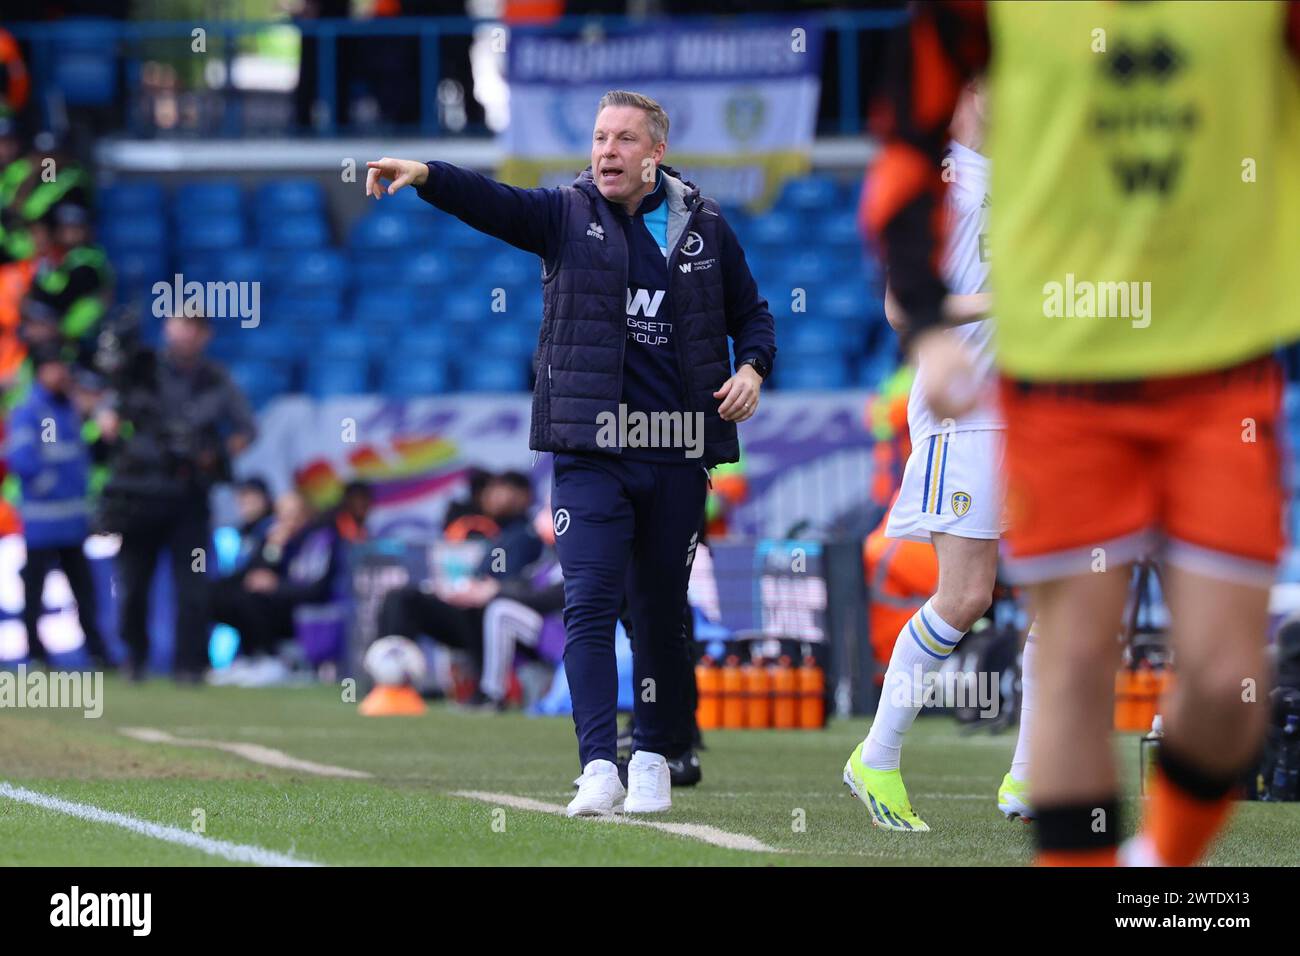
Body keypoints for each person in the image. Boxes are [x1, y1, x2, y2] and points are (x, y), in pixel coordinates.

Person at [867, 0, 1300, 866]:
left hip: (1217, 366)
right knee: (1057, 644)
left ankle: (1157, 857)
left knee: (1225, 678)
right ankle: (885, 757)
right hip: (1055, 391)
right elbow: (904, 146)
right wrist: (926, 327)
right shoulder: (980, 43)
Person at [365, 88, 776, 816]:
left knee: (658, 613)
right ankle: (596, 765)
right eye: (597, 138)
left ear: (655, 153)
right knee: (587, 602)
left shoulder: (706, 227)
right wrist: (428, 172)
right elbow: (492, 202)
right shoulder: (565, 214)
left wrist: (751, 370)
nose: (605, 152)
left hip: (678, 453)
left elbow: (753, 316)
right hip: (590, 450)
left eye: (622, 140)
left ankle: (652, 754)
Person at [843, 80, 1037, 831]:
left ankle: (1031, 774)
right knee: (964, 597)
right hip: (965, 419)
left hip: (1035, 417)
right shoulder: (938, 178)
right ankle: (878, 755)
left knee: (1070, 592)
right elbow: (902, 307)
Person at [97, 310, 257, 682]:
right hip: (138, 497)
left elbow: (247, 429)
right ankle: (134, 659)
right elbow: (107, 401)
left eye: (193, 326)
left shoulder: (216, 379)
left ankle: (189, 667)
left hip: (188, 501)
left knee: (193, 587)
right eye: (178, 324)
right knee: (134, 585)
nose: (184, 333)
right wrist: (107, 418)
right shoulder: (142, 368)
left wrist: (216, 456)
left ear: (206, 334)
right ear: (168, 328)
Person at [6, 343, 110, 668]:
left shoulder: (68, 410)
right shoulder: (34, 412)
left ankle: (97, 651)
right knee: (34, 591)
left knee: (84, 590)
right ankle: (36, 653)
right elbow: (23, 458)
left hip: (72, 522)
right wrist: (49, 486)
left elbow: (76, 458)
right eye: (53, 367)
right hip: (43, 521)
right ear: (40, 372)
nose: (60, 373)